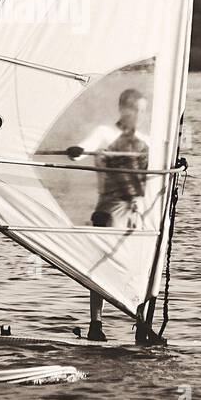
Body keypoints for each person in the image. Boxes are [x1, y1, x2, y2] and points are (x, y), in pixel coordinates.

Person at [66, 88, 150, 341]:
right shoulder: (105, 134)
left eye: (142, 111)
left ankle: (142, 322)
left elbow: (163, 164)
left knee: (140, 265)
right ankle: (96, 324)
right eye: (136, 110)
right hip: (109, 208)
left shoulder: (148, 140)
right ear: (124, 109)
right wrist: (77, 150)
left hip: (138, 210)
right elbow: (84, 149)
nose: (139, 116)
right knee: (101, 264)